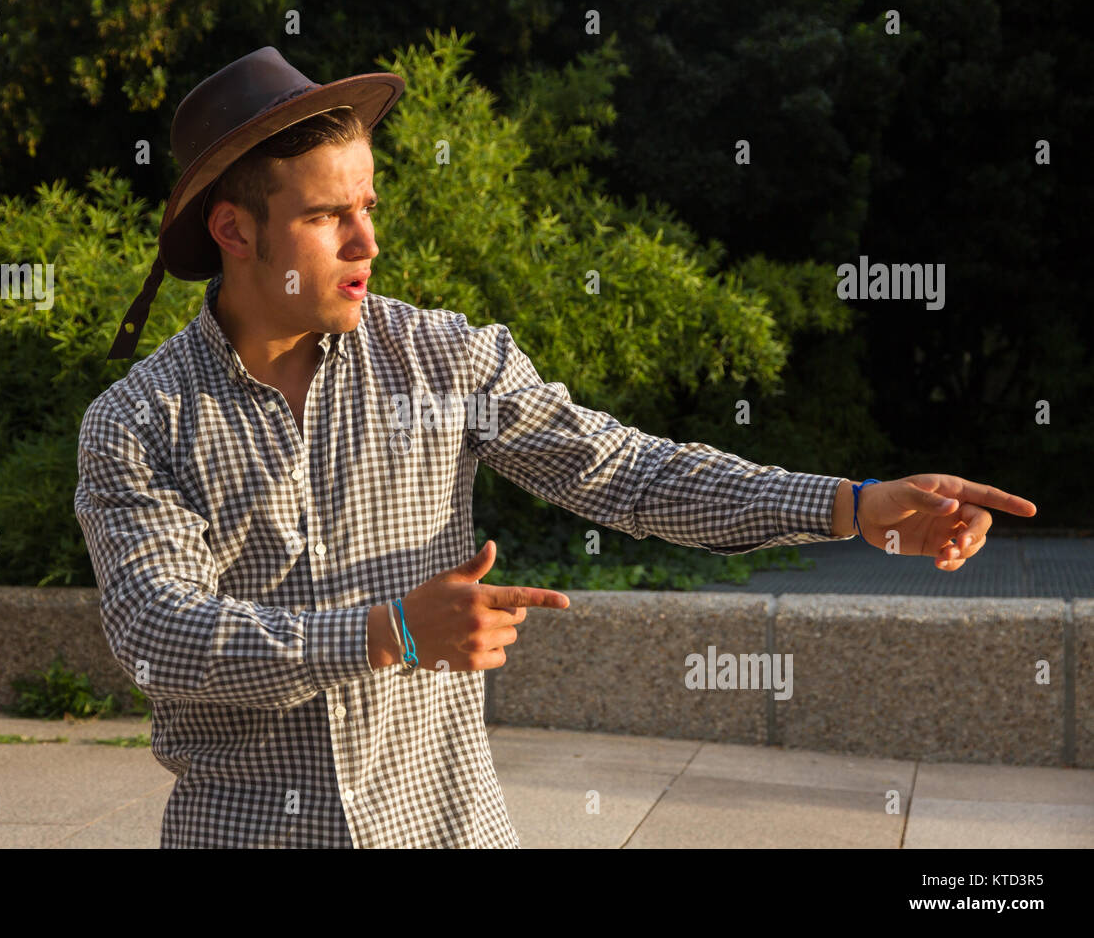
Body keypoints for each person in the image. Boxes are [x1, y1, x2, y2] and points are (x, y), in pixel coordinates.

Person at [74, 47, 1037, 848]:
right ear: (235, 230)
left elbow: (629, 473)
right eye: (329, 217)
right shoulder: (138, 423)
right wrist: (390, 631)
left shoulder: (443, 361)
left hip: (443, 828)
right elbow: (161, 635)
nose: (368, 241)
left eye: (370, 206)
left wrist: (850, 504)